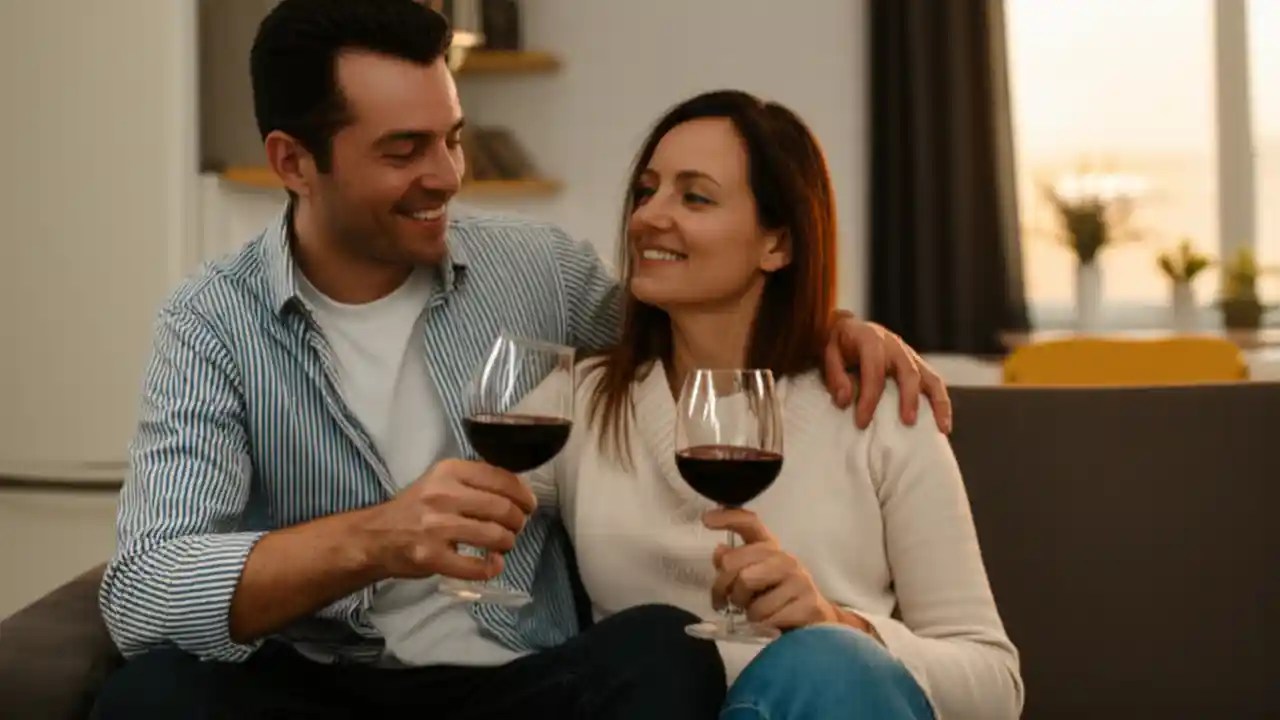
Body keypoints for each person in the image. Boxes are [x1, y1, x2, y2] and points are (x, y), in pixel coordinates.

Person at [92, 1, 952, 718]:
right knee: (149, 696)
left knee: (660, 650)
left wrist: (831, 324)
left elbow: (689, 329)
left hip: (516, 689)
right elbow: (144, 590)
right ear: (294, 162)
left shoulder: (538, 270)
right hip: (319, 687)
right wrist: (374, 539)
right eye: (403, 151)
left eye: (453, 139)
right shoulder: (210, 322)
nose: (446, 176)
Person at [523, 90, 1024, 719]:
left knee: (825, 665)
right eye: (646, 191)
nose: (650, 216)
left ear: (778, 244)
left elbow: (995, 687)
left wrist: (836, 623)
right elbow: (457, 523)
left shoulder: (878, 411)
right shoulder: (581, 402)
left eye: (694, 196)